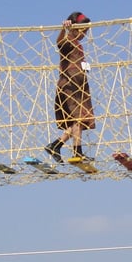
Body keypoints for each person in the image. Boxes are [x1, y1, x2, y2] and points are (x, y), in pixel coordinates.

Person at [45, 11, 96, 162]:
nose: (84, 34)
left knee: (78, 121)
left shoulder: (79, 45)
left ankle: (56, 145)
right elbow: (59, 42)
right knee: (79, 119)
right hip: (70, 86)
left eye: (86, 31)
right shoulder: (68, 40)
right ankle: (77, 152)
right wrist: (64, 29)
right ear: (74, 28)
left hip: (79, 87)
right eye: (82, 30)